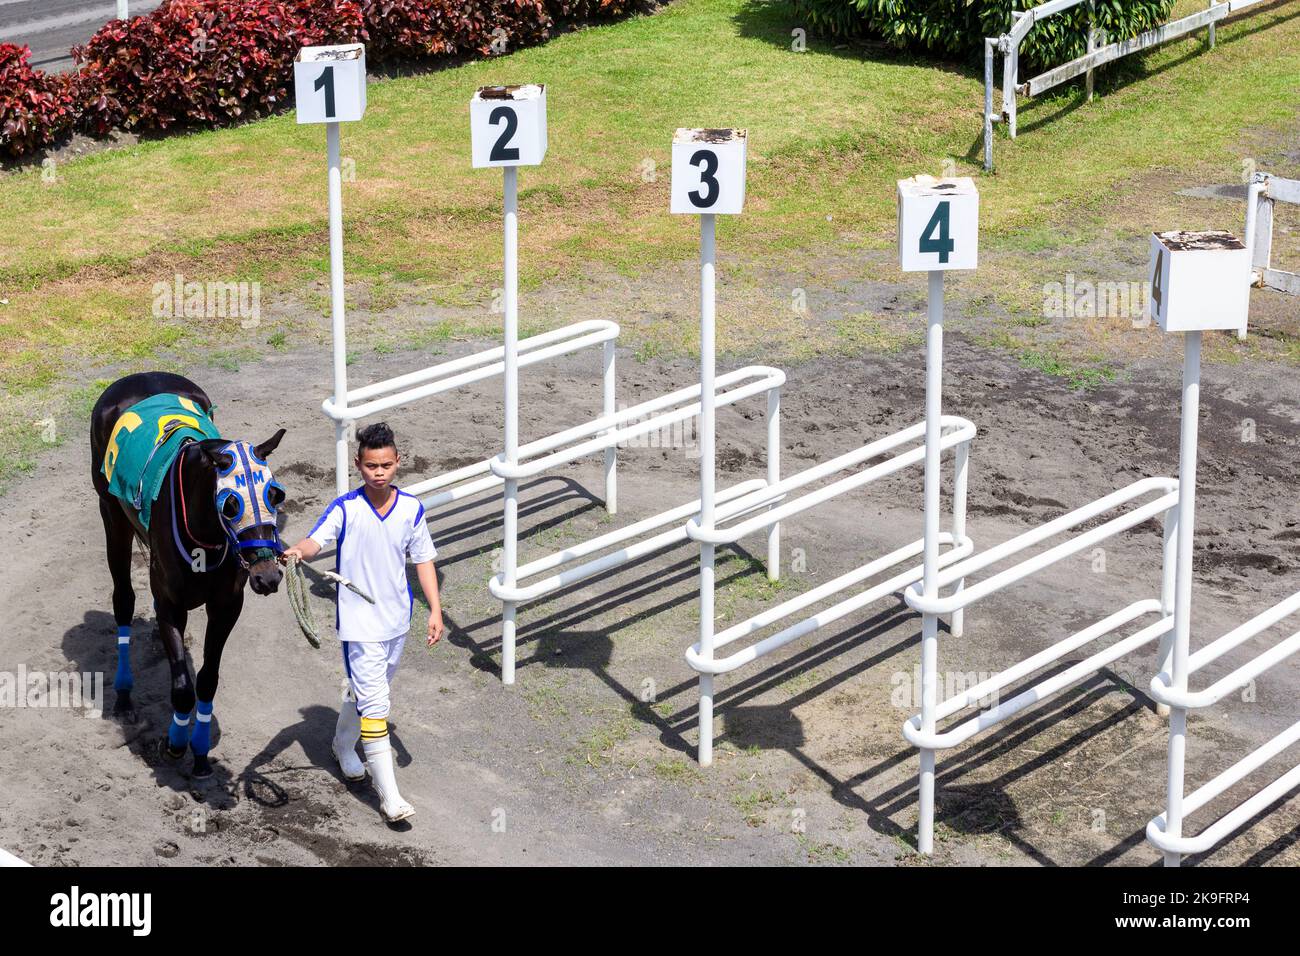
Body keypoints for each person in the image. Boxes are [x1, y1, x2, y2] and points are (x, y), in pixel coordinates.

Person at [282, 422, 445, 823]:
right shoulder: (345, 509)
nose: (379, 472)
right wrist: (298, 552)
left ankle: (341, 744)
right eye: (371, 465)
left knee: (369, 690)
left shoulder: (411, 508)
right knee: (376, 703)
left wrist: (436, 611)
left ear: (397, 463)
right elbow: (315, 541)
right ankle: (389, 798)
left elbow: (423, 559)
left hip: (397, 621)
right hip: (359, 626)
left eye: (385, 465)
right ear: (358, 464)